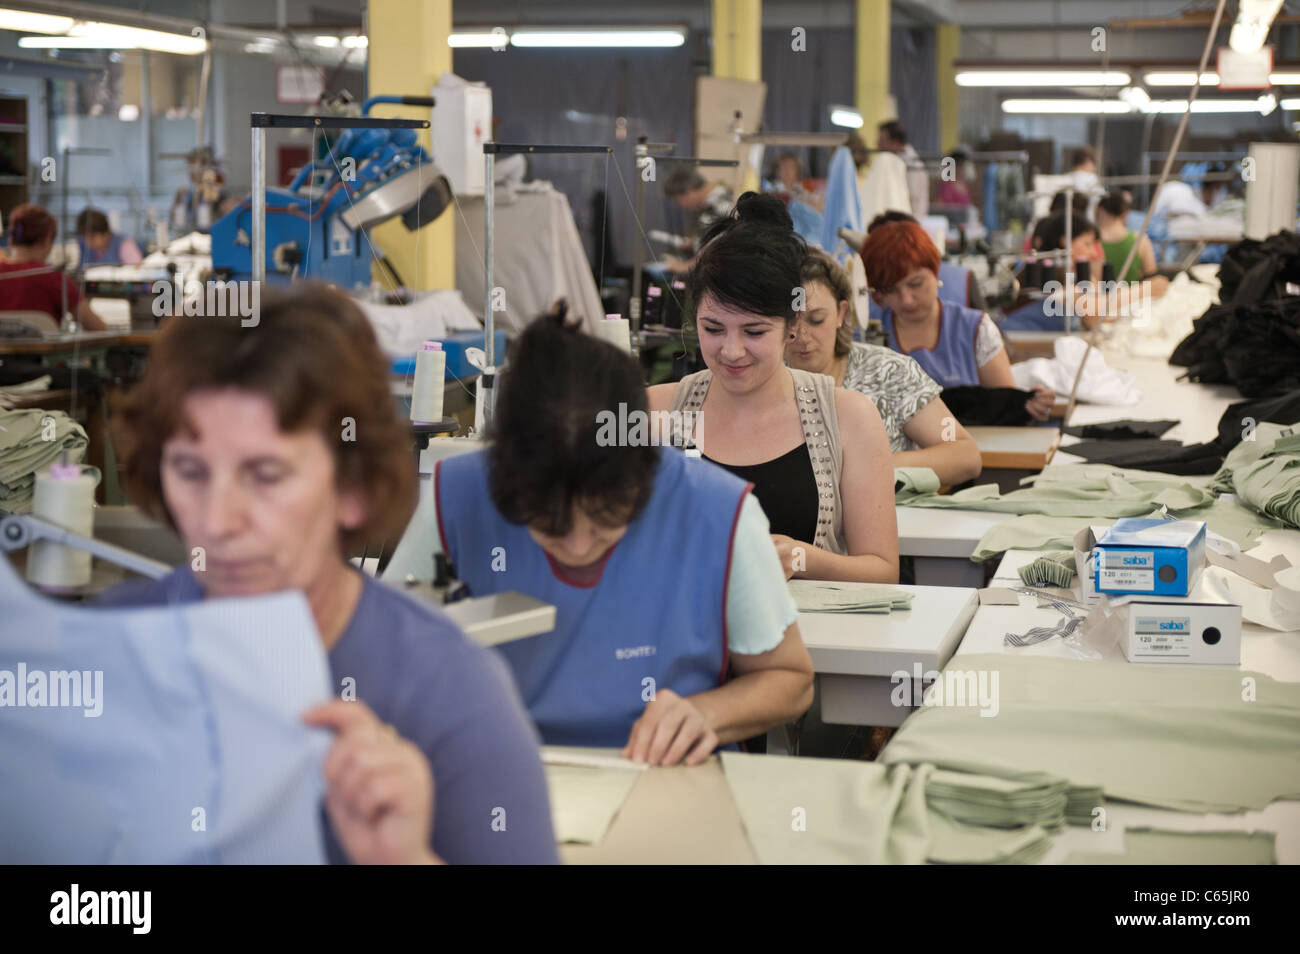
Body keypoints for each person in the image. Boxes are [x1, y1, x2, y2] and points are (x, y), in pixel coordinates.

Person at [96, 284, 558, 864]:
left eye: (265, 475)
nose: (217, 520)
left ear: (354, 488)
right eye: (190, 470)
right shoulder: (108, 654)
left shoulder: (453, 698)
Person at [386, 304, 814, 764]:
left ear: (644, 468)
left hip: (663, 781)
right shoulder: (460, 497)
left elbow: (790, 679)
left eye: (606, 520)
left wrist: (708, 713)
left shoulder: (717, 513)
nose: (577, 547)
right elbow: (378, 651)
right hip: (500, 772)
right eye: (548, 526)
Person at [649, 192, 900, 583]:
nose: (731, 351)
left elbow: (883, 571)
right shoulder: (654, 414)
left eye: (754, 332)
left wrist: (805, 559)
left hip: (818, 641)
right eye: (712, 329)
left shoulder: (849, 418)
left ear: (792, 326)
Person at [786, 248, 982, 486]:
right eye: (789, 321)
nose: (802, 336)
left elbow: (963, 453)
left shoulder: (890, 373)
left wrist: (874, 466)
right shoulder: (762, 383)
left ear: (841, 313)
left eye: (816, 320)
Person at [863, 217, 1055, 421]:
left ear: (935, 271)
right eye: (891, 290)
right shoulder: (865, 334)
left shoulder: (976, 329)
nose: (907, 300)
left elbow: (1006, 411)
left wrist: (1030, 405)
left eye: (916, 284)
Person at [1004, 212, 1139, 332]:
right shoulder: (1053, 276)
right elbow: (1091, 317)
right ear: (1065, 241)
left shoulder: (1075, 276)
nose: (1092, 252)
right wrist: (1143, 290)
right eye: (1087, 244)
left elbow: (1099, 309)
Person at [0, 204, 106, 331]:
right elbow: (96, 327)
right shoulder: (53, 277)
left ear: (11, 239)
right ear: (47, 239)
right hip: (44, 351)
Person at [661, 165, 735, 272]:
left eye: (678, 200)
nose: (680, 205)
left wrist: (683, 267)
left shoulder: (716, 206)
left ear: (689, 191)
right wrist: (695, 243)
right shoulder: (711, 205)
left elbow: (713, 252)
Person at [1095, 190, 1168, 296]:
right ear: (1125, 214)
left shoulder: (1088, 243)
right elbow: (1151, 275)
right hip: (1134, 302)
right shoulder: (1139, 239)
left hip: (1098, 304)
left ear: (1099, 210)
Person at [878, 120, 928, 218]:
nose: (878, 144)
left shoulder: (912, 164)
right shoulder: (894, 161)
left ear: (895, 142)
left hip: (909, 220)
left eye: (882, 141)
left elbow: (912, 198)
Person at [74, 207, 143, 266]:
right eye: (84, 237)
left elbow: (137, 271)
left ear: (105, 233)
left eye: (92, 237)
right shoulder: (85, 248)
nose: (87, 241)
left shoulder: (124, 245)